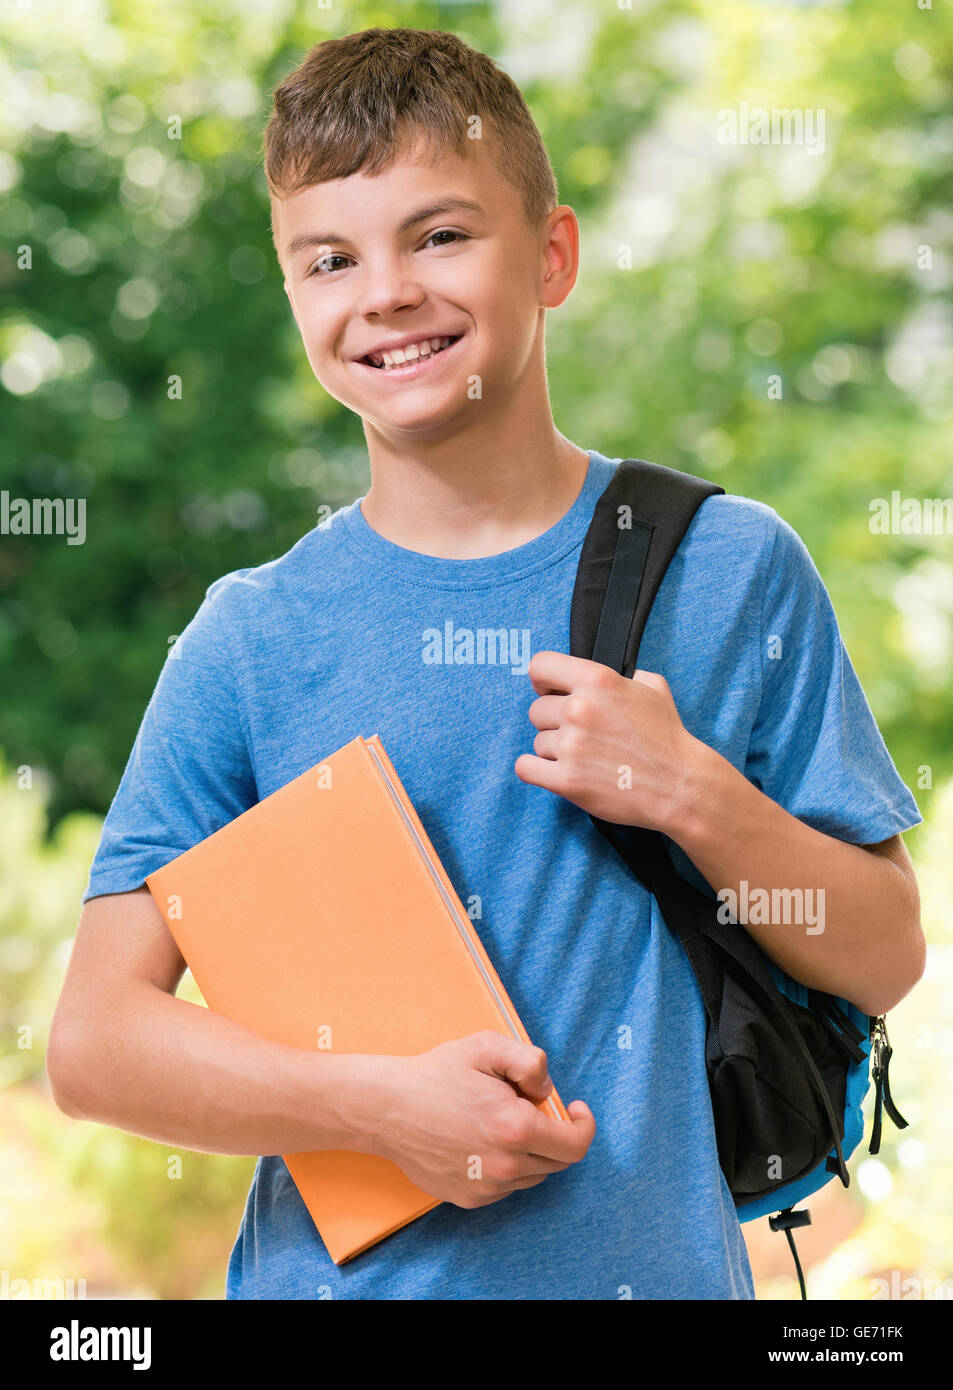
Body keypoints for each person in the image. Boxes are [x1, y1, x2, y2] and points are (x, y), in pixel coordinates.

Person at [48, 26, 925, 1300]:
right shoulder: (250, 639)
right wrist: (376, 1106)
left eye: (440, 236)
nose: (385, 293)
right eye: (330, 259)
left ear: (551, 254)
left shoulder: (728, 567)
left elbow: (884, 953)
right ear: (293, 295)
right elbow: (93, 1044)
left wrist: (691, 793)